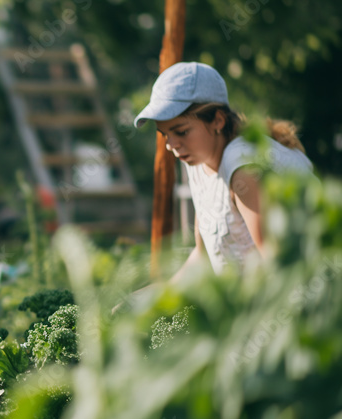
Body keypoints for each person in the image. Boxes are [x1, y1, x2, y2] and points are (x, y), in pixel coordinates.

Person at [134, 62, 314, 279]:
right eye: (165, 135)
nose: (171, 145)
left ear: (218, 120)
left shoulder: (243, 167)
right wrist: (151, 299)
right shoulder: (198, 161)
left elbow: (277, 263)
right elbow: (203, 259)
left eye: (181, 132)